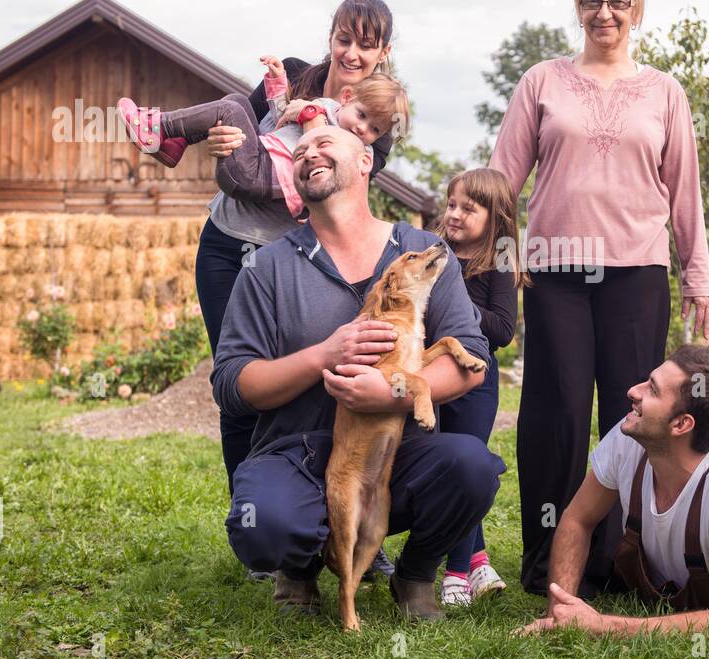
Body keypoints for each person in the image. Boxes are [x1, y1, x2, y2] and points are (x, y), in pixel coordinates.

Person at [489, 0, 709, 597]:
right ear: (578, 7)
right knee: (555, 413)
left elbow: (685, 193)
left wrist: (697, 277)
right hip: (557, 271)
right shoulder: (542, 82)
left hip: (638, 272)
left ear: (635, 10)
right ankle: (546, 558)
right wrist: (486, 267)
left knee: (632, 414)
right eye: (593, 0)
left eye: (618, 0)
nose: (605, 11)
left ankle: (615, 558)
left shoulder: (665, 92)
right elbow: (502, 183)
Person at [214, 122, 505, 620]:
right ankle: (298, 568)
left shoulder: (420, 253)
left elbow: (473, 360)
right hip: (296, 450)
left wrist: (392, 395)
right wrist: (321, 356)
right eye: (299, 150)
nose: (308, 153)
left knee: (473, 468)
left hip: (394, 450)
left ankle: (414, 576)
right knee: (263, 524)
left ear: (366, 161)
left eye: (324, 143)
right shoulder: (266, 268)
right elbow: (232, 385)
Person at [194, 0, 396, 493]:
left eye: (366, 46)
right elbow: (241, 129)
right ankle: (250, 512)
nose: (352, 53)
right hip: (226, 242)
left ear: (383, 53)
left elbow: (340, 199)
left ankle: (325, 511)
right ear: (330, 38)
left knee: (313, 386)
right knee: (239, 381)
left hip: (294, 261)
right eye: (343, 39)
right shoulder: (295, 77)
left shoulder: (375, 127)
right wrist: (222, 143)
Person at [519, 346, 709, 641]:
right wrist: (562, 608)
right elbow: (577, 520)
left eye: (652, 390)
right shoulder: (629, 438)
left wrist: (600, 626)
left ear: (681, 424)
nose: (633, 391)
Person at [119, 60, 408, 218]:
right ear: (347, 98)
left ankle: (157, 127)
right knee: (237, 102)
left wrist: (309, 112)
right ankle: (174, 143)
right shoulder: (326, 107)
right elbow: (281, 113)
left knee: (229, 110)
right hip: (257, 161)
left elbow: (321, 146)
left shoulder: (353, 147)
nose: (363, 130)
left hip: (257, 178)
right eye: (362, 116)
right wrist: (278, 82)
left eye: (375, 130)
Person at [432, 169, 528, 606]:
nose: (455, 214)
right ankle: (478, 560)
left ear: (495, 218)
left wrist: (454, 301)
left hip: (475, 382)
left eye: (468, 209)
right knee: (451, 469)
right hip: (434, 376)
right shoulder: (431, 253)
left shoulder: (499, 262)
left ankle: (454, 574)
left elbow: (503, 329)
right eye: (452, 204)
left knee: (468, 463)